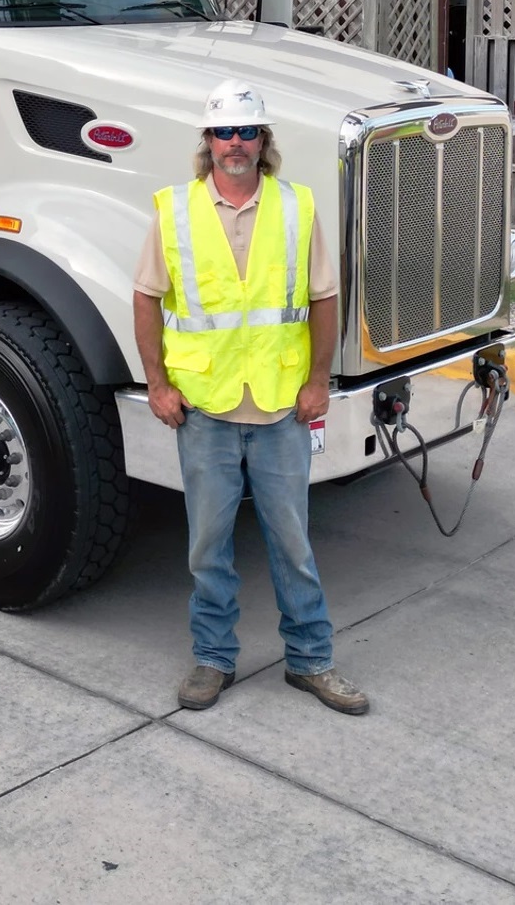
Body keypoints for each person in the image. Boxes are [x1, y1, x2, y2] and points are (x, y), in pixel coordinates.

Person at [133, 81, 365, 716]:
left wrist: (319, 381)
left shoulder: (297, 208)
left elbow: (323, 300)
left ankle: (311, 661)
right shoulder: (175, 211)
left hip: (279, 406)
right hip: (205, 407)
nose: (235, 144)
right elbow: (147, 297)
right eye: (223, 132)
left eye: (247, 132)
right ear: (207, 143)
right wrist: (157, 383)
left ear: (265, 143)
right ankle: (212, 658)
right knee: (208, 545)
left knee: (292, 543)